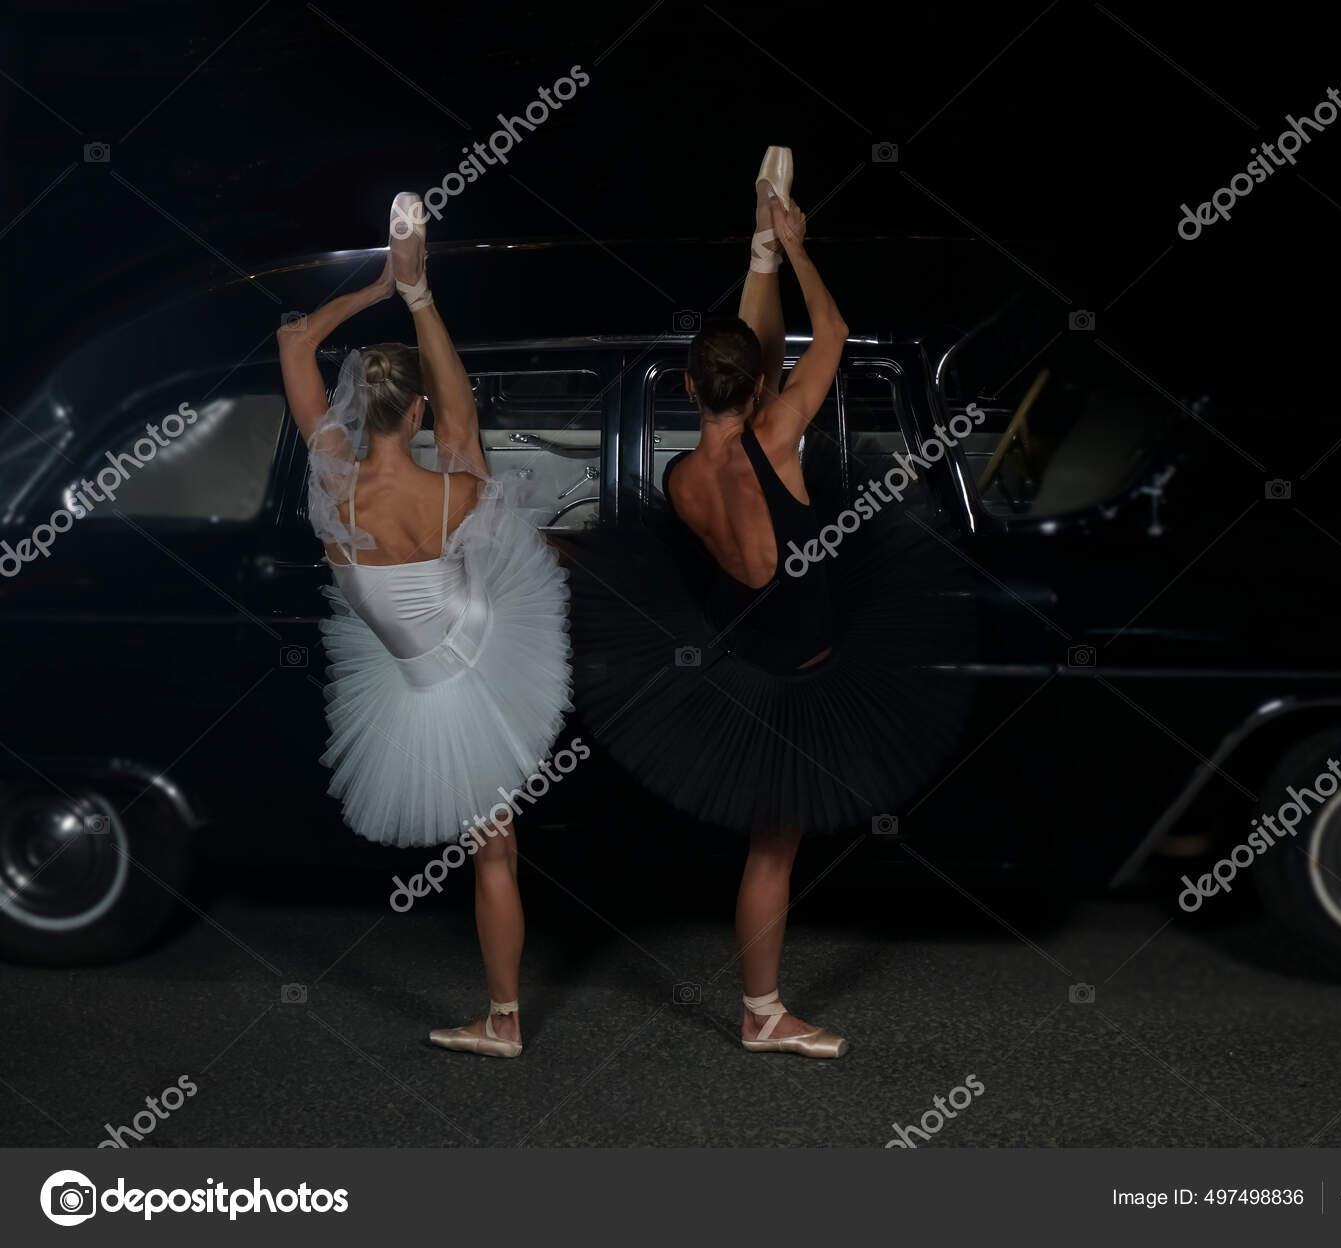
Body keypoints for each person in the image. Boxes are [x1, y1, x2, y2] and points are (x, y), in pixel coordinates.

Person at [569, 151, 974, 1058]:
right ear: (760, 391)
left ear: (686, 390)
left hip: (744, 663)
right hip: (798, 678)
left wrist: (762, 256)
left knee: (769, 848)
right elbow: (828, 334)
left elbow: (762, 365)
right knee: (774, 851)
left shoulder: (679, 477)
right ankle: (762, 1014)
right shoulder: (776, 434)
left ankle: (752, 242)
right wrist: (798, 251)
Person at [276, 194, 570, 1059]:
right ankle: (504, 1018)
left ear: (352, 414)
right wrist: (417, 292)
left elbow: (295, 340)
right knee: (496, 850)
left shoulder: (330, 476)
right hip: (474, 651)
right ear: (417, 417)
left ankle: (503, 1024)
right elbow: (463, 409)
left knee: (493, 849)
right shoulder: (457, 486)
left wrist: (372, 286)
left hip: (423, 673)